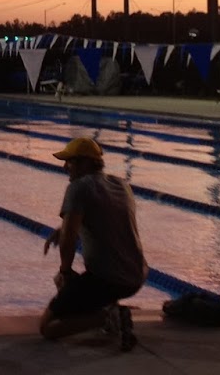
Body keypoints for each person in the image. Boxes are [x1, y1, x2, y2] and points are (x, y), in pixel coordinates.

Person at [41, 137, 147, 350]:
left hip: (107, 280)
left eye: (69, 162)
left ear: (84, 163)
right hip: (137, 275)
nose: (64, 167)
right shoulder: (121, 184)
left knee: (47, 327)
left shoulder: (78, 188)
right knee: (83, 285)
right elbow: (108, 220)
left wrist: (65, 272)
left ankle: (109, 317)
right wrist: (64, 230)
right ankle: (109, 308)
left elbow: (69, 240)